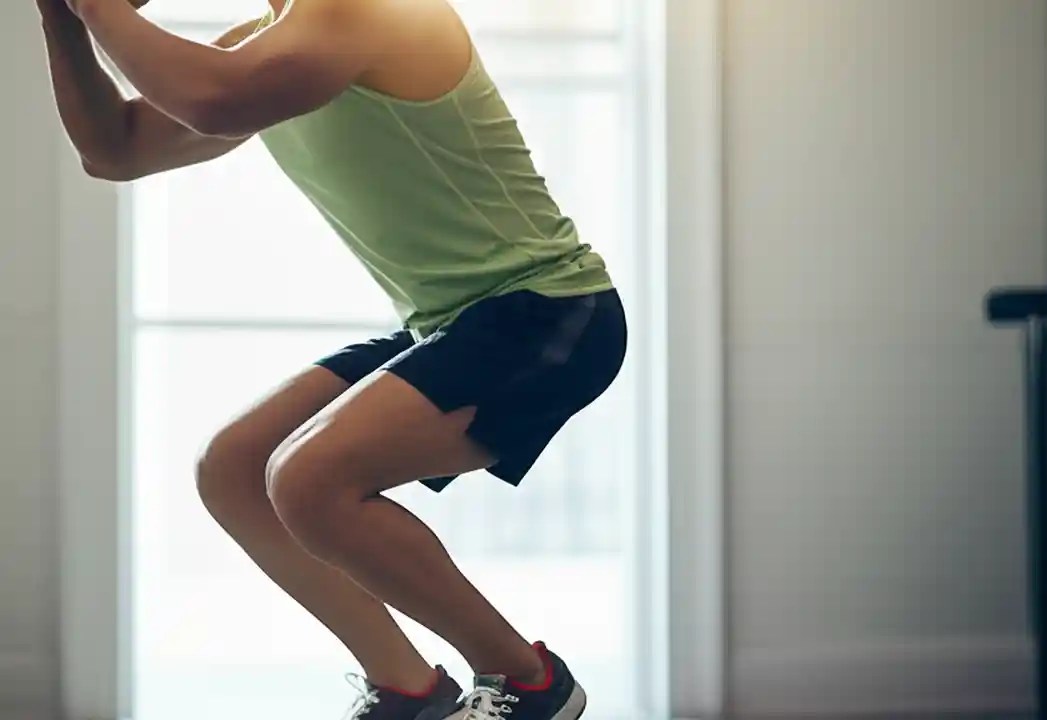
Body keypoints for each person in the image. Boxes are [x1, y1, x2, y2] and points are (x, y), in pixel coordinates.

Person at [37, 0, 627, 716]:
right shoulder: (268, 45)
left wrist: (92, 4)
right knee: (235, 467)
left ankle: (529, 682)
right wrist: (60, 16)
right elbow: (116, 150)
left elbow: (213, 99)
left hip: (547, 308)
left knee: (309, 480)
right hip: (447, 321)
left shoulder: (359, 13)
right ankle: (407, 691)